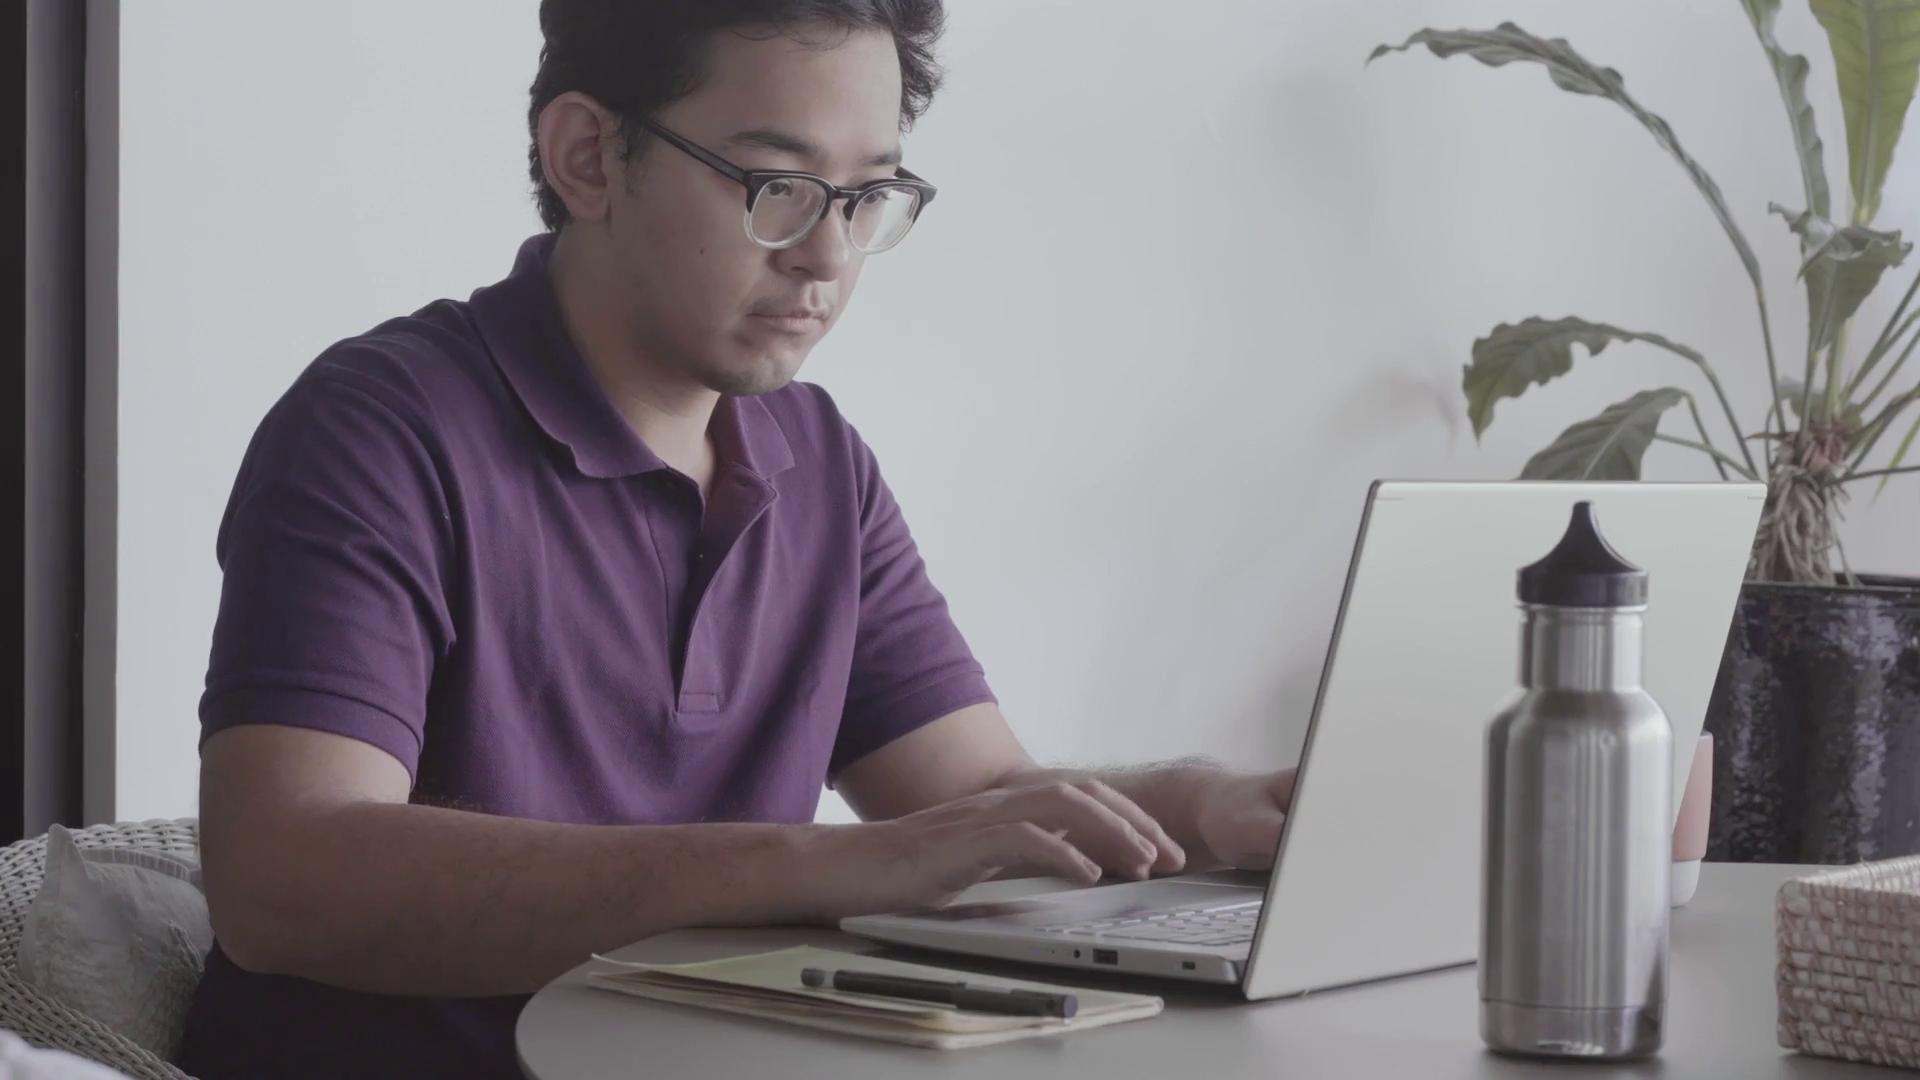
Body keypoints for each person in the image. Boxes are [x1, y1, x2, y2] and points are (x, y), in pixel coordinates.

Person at [178, 2, 1296, 1077]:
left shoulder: (817, 458)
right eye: (780, 186)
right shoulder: (383, 425)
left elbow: (981, 800)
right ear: (586, 155)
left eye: (867, 196)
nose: (828, 258)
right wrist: (835, 865)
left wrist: (1202, 809)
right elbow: (285, 877)